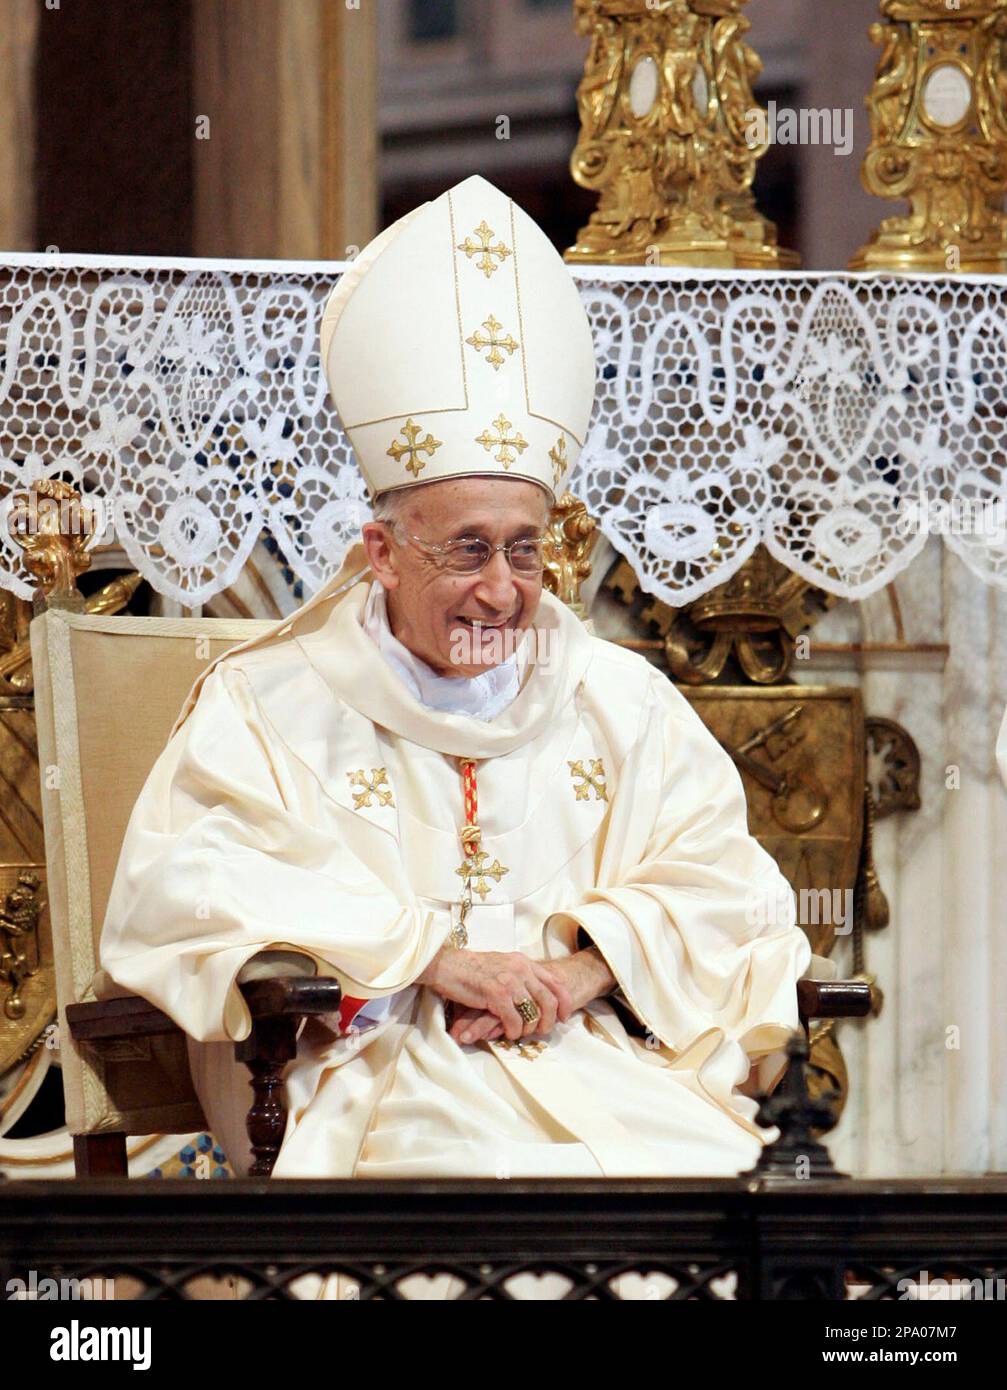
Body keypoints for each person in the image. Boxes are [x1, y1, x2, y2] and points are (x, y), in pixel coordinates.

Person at [99, 175, 817, 1201]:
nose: (500, 590)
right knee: (479, 1197)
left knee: (735, 1201)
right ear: (381, 552)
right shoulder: (267, 704)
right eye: (466, 550)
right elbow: (184, 890)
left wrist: (581, 969)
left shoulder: (619, 698)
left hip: (600, 1066)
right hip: (375, 1077)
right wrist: (428, 959)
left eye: (524, 553)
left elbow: (729, 887)